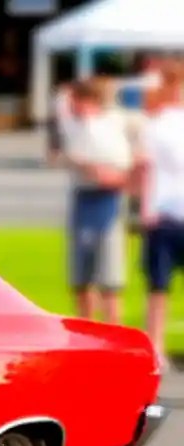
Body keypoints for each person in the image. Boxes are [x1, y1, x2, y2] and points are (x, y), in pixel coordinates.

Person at [61, 76, 136, 325]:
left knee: (110, 277)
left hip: (107, 201)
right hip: (85, 197)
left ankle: (112, 327)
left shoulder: (109, 125)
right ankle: (86, 327)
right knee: (82, 275)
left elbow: (123, 167)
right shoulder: (78, 126)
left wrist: (105, 173)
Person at [139, 60, 184, 367]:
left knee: (159, 285)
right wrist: (147, 206)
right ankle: (155, 344)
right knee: (158, 285)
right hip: (166, 213)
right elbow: (148, 168)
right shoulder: (157, 125)